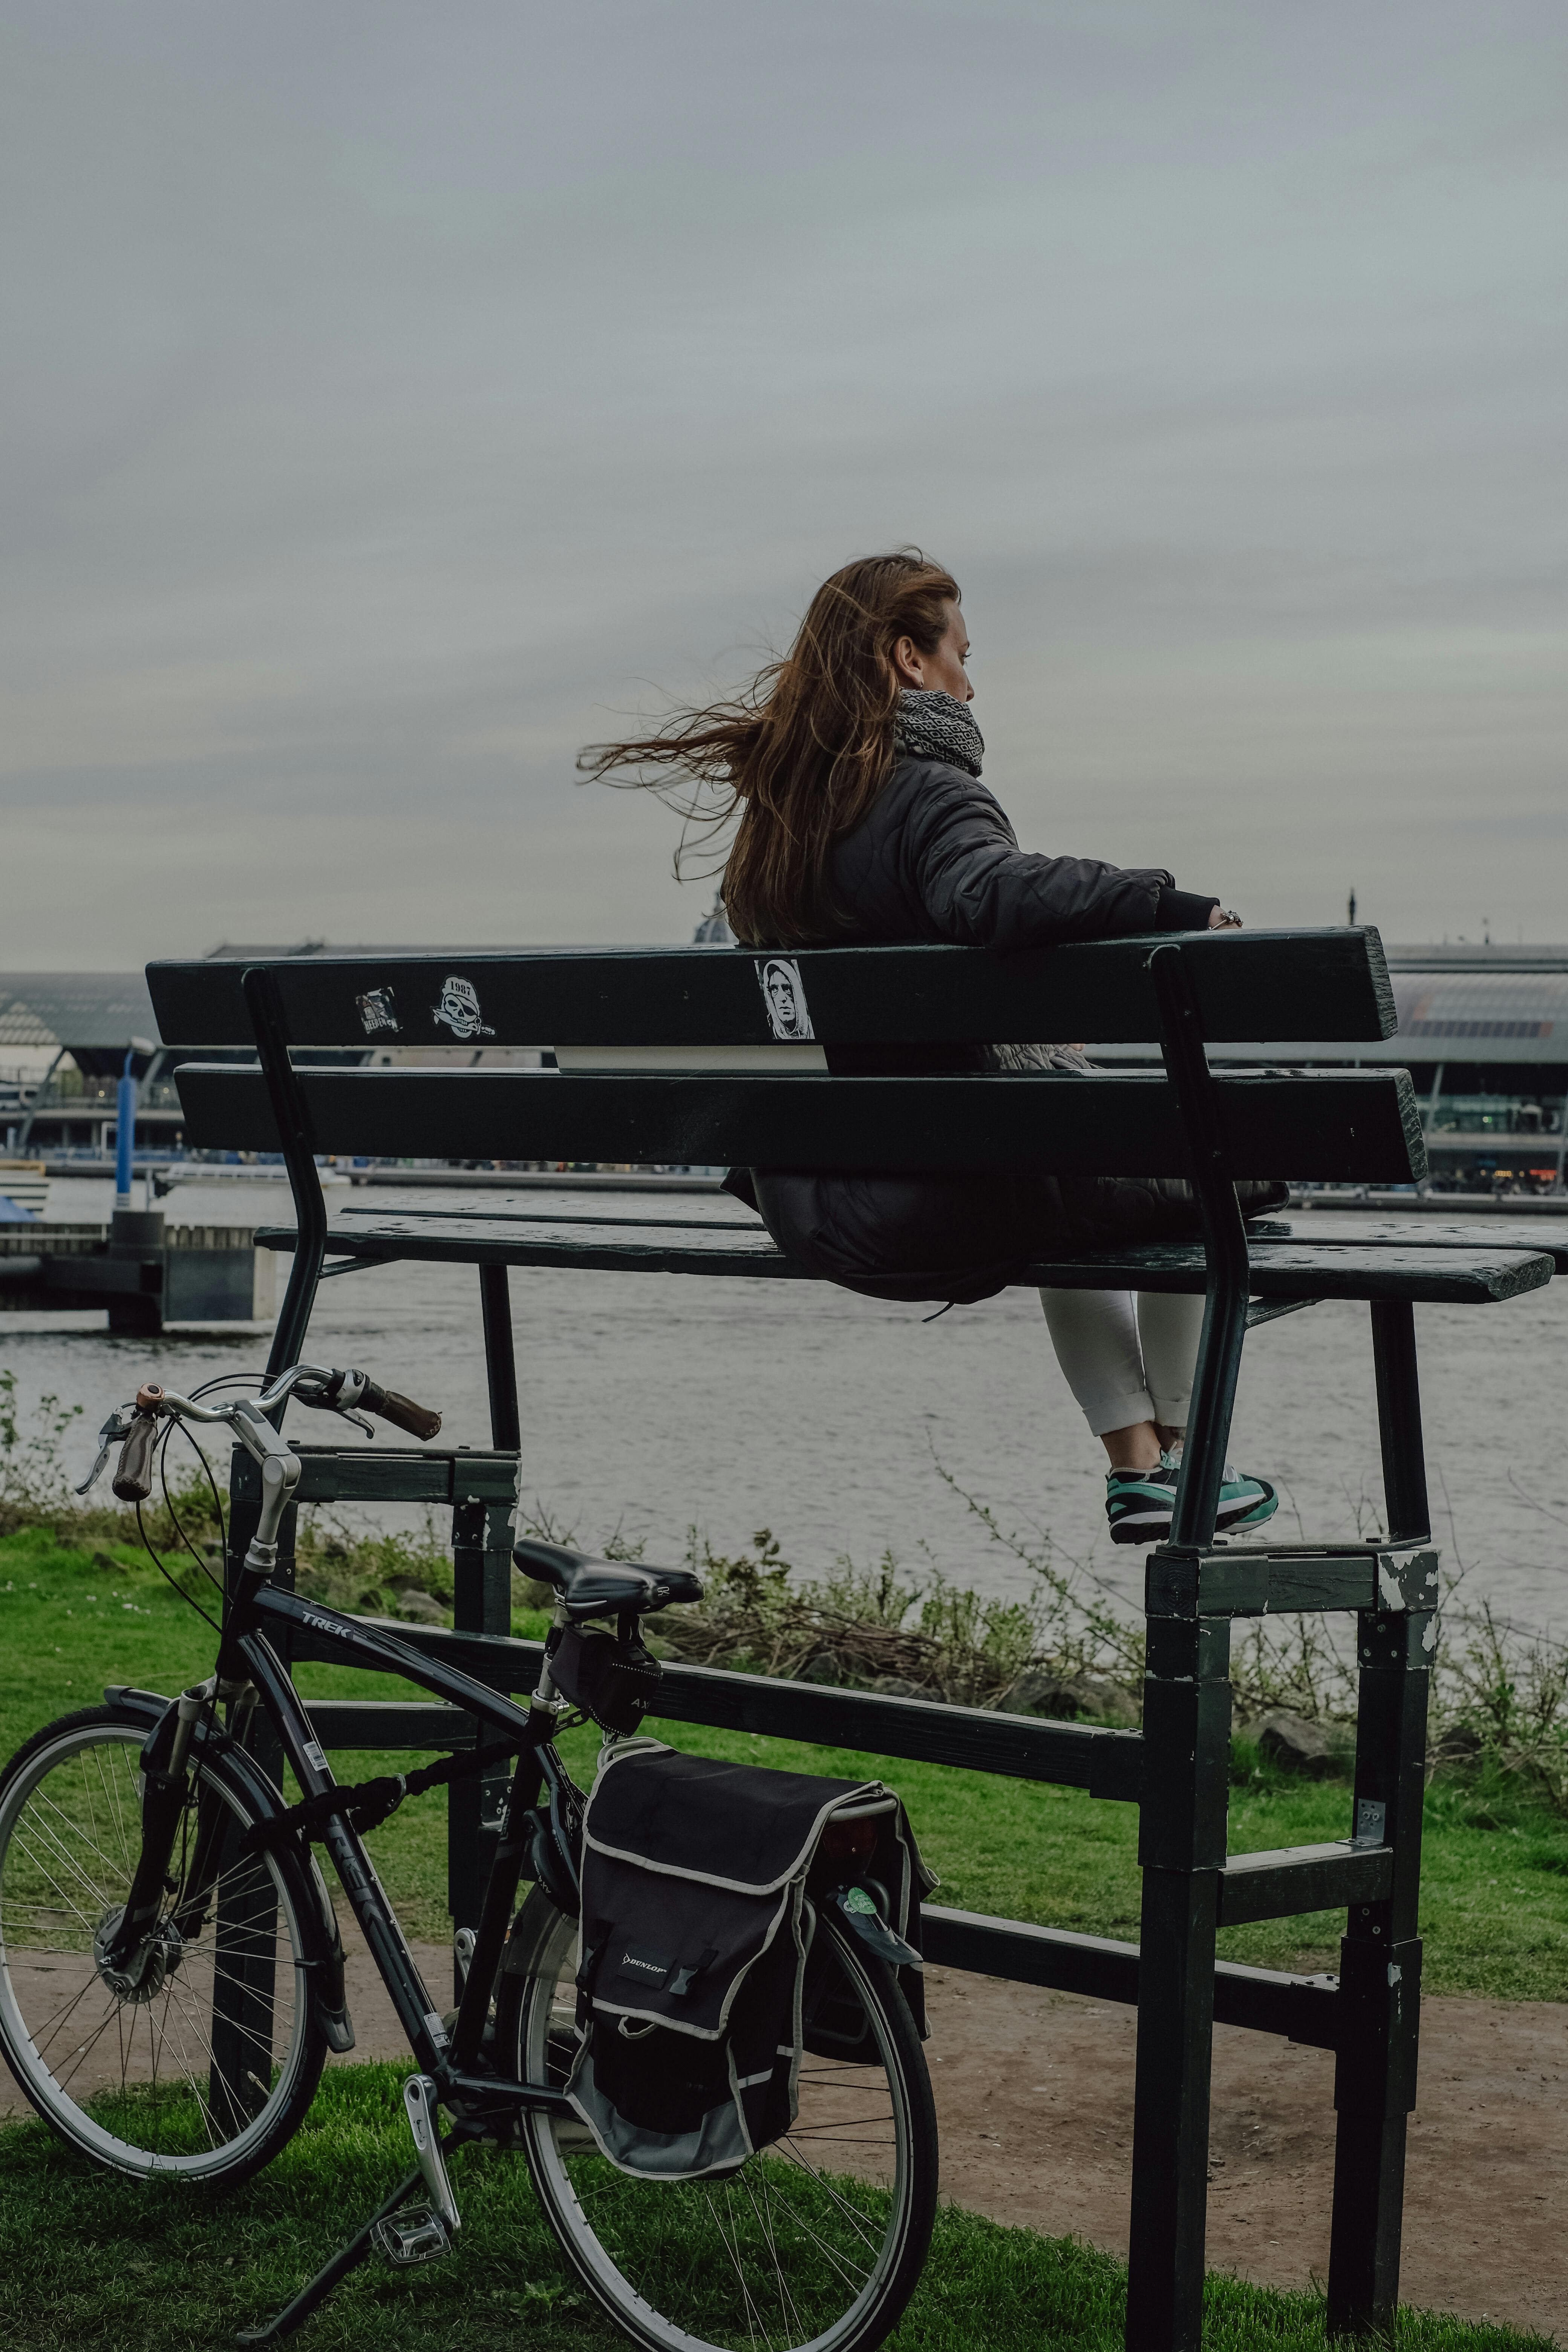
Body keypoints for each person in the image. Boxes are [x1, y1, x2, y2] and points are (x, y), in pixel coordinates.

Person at [581, 552, 1279, 1546]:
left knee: (1066, 1157)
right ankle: (1183, 1460)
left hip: (813, 1201)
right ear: (908, 659)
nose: (972, 680)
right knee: (1219, 1166)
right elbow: (985, 895)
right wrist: (1169, 904)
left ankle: (1139, 1466)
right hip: (935, 1197)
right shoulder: (928, 795)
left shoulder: (778, 822)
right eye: (962, 654)